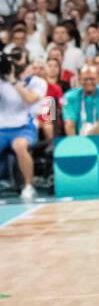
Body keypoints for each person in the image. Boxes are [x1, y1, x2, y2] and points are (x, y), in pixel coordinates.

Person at [0, 47, 43, 201]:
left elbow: (30, 100)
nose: (13, 61)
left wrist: (13, 80)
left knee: (19, 146)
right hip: (2, 128)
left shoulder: (37, 82)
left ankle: (28, 186)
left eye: (17, 57)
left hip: (24, 127)